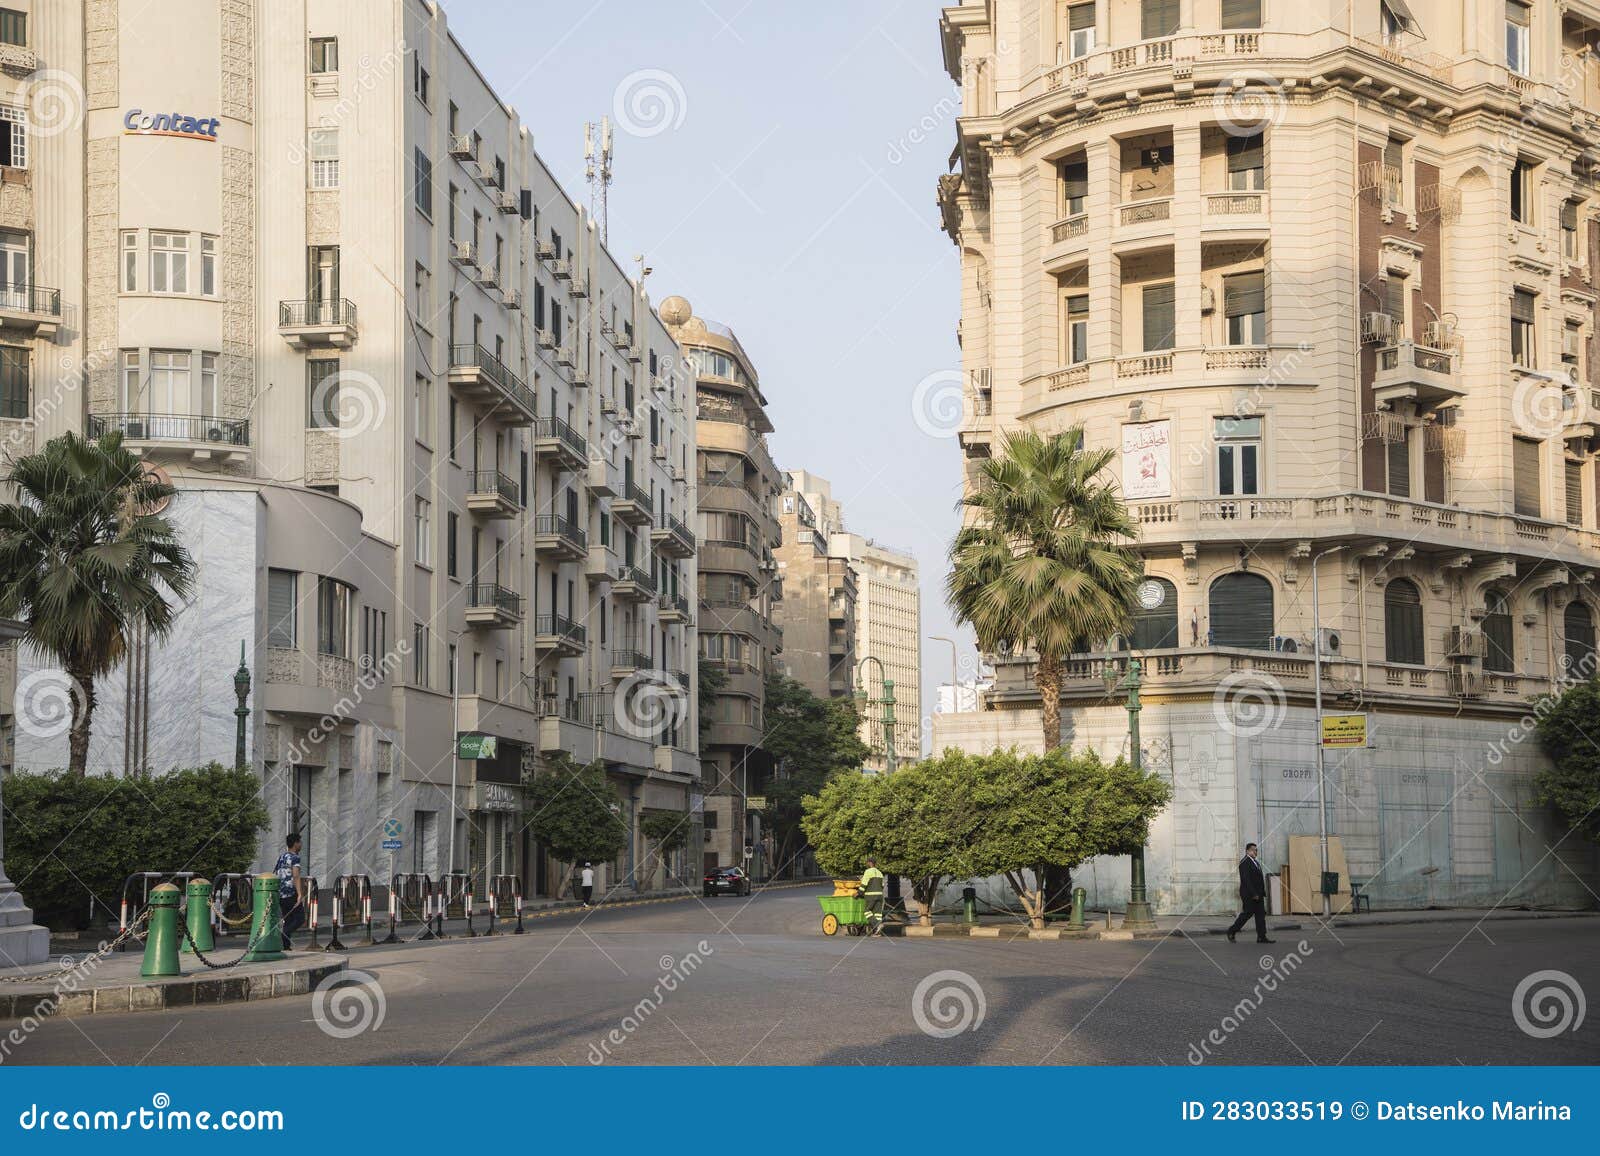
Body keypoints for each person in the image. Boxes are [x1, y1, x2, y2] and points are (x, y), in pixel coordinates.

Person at [1225, 842, 1274, 944]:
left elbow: (1258, 879)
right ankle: (1232, 930)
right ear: (1248, 851)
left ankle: (1261, 937)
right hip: (1249, 894)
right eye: (1253, 850)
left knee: (1260, 915)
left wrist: (1261, 893)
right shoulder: (1244, 862)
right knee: (1247, 914)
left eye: (1256, 850)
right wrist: (1254, 894)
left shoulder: (1255, 862)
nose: (1256, 852)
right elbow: (1246, 880)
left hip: (1258, 894)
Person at [274, 833, 305, 950]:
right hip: (291, 892)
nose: (301, 845)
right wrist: (300, 893)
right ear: (295, 843)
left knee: (288, 919)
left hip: (281, 893)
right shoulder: (295, 857)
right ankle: (284, 934)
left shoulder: (281, 857)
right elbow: (296, 875)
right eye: (300, 842)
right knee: (299, 919)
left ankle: (286, 946)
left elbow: (276, 872)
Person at [858, 857, 886, 936]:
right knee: (877, 914)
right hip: (880, 896)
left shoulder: (868, 872)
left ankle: (877, 925)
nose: (867, 864)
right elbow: (882, 885)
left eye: (867, 862)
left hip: (871, 896)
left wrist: (859, 893)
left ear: (869, 863)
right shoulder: (880, 873)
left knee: (867, 911)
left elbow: (864, 884)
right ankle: (877, 932)